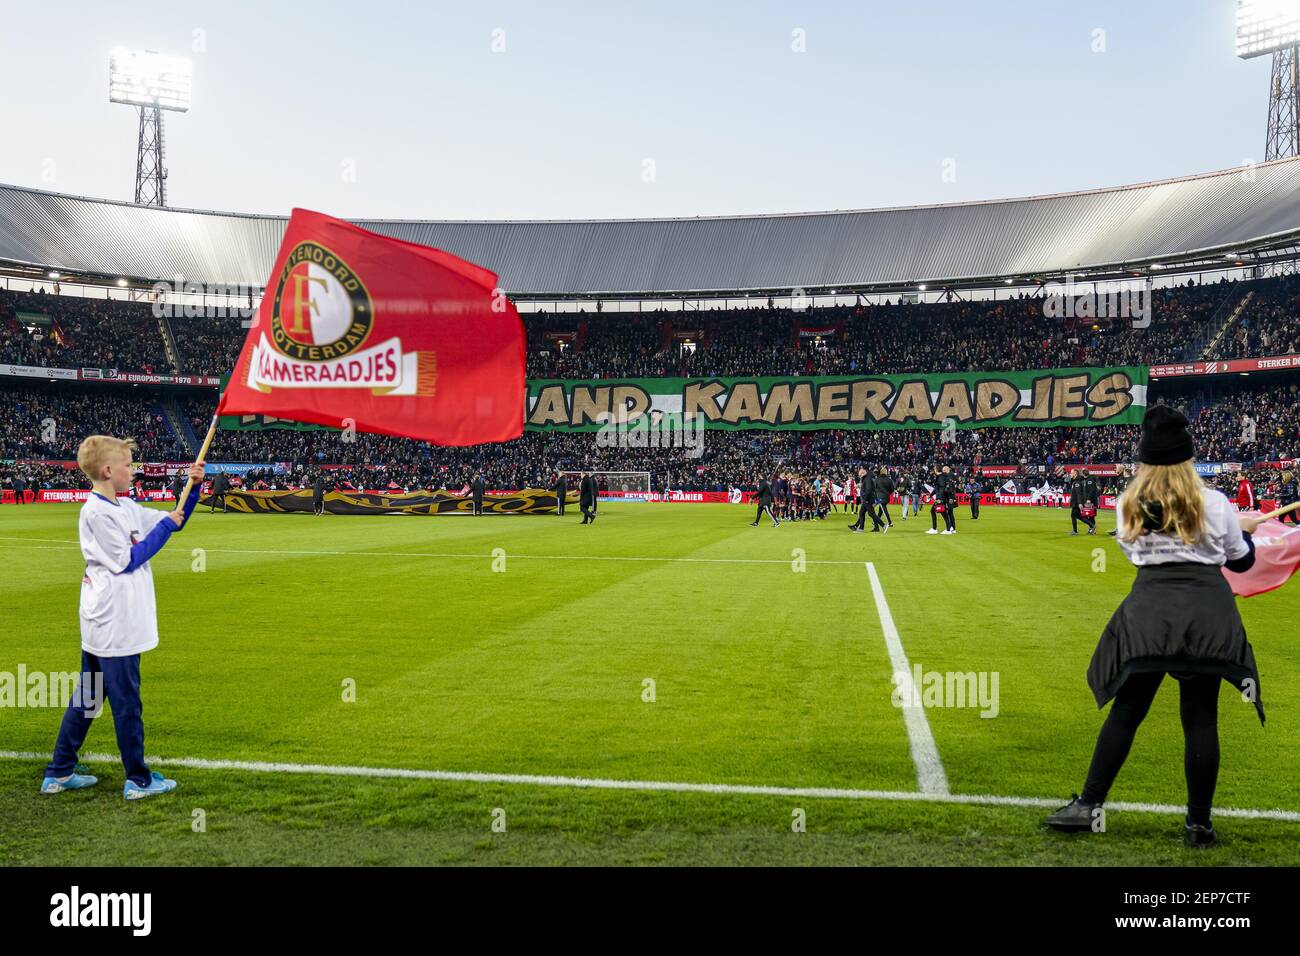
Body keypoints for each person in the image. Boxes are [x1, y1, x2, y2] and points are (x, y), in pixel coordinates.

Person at [1046, 407, 1264, 847]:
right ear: (1187, 458)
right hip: (1207, 614)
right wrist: (1245, 531)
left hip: (1150, 613)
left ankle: (1089, 805)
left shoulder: (1130, 502)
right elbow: (1242, 561)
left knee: (1127, 711)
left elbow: (1134, 555)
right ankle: (1198, 824)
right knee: (1201, 717)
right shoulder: (1216, 503)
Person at [41, 435, 205, 800]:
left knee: (89, 697)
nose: (133, 470)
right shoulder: (96, 512)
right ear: (107, 470)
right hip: (114, 622)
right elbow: (129, 558)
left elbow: (174, 521)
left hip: (108, 621)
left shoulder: (125, 506)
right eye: (128, 465)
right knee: (125, 701)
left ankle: (59, 771)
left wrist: (192, 488)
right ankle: (138, 779)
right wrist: (164, 527)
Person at [1069, 468, 1099, 536]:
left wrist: (1080, 503)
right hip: (1076, 501)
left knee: (1073, 515)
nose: (1070, 474)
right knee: (1079, 516)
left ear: (1075, 473)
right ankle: (1091, 525)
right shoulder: (1076, 481)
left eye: (1071, 473)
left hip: (1076, 502)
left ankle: (1075, 531)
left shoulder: (1077, 482)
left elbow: (1079, 493)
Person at [875, 467, 894, 533]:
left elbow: (874, 488)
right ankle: (877, 521)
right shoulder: (889, 480)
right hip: (886, 496)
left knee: (883, 509)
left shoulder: (877, 479)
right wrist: (888, 493)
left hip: (880, 497)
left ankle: (889, 522)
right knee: (881, 510)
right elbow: (892, 489)